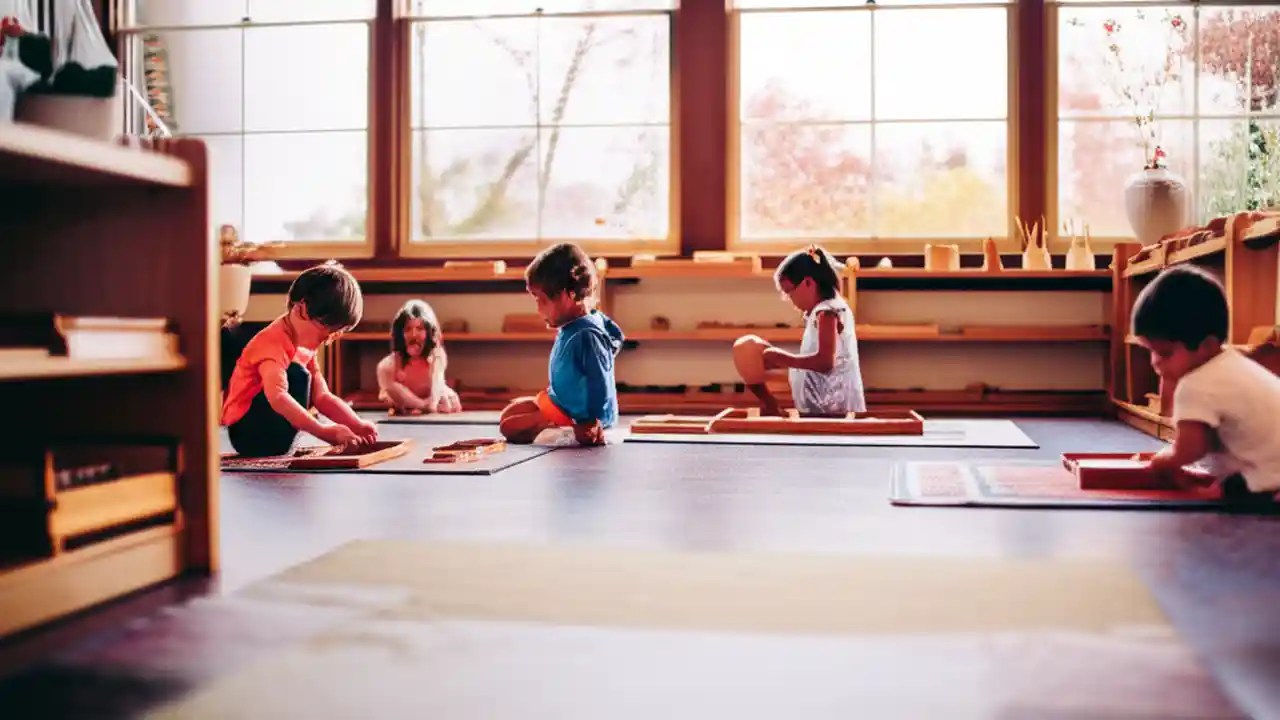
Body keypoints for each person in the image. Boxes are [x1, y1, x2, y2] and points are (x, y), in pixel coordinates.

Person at [1131, 264, 1280, 505]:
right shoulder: (1234, 364)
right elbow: (1209, 440)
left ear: (1207, 345)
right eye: (1151, 352)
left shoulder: (1196, 384)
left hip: (1267, 477)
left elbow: (1192, 450)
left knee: (1211, 495)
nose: (1155, 363)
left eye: (1165, 353)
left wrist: (1162, 461)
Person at [221, 264, 376, 456]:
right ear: (301, 310)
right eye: (327, 330)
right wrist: (324, 431)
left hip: (272, 425)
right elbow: (277, 396)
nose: (328, 340)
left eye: (336, 334)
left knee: (302, 375)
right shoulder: (271, 343)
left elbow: (322, 397)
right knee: (297, 374)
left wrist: (356, 424)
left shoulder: (302, 345)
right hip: (248, 432)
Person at [498, 243, 624, 446]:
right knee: (510, 412)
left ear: (570, 294)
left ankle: (556, 427)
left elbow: (599, 383)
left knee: (510, 426)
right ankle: (549, 421)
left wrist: (591, 421)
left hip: (576, 415)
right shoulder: (575, 323)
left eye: (542, 300)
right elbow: (616, 333)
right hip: (559, 401)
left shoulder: (587, 335)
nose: (538, 309)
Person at [739, 245, 865, 417]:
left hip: (829, 405)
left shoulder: (827, 312)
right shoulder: (823, 310)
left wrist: (785, 359)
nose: (791, 300)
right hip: (821, 400)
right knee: (747, 347)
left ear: (808, 282)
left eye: (790, 292)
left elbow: (825, 362)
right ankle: (771, 404)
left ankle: (773, 405)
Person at [375, 299, 461, 415]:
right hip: (404, 410)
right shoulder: (387, 366)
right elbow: (390, 392)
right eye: (408, 329)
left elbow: (436, 391)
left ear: (429, 333)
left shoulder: (437, 356)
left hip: (432, 405)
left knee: (449, 399)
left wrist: (434, 403)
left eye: (419, 329)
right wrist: (420, 405)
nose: (414, 335)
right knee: (391, 389)